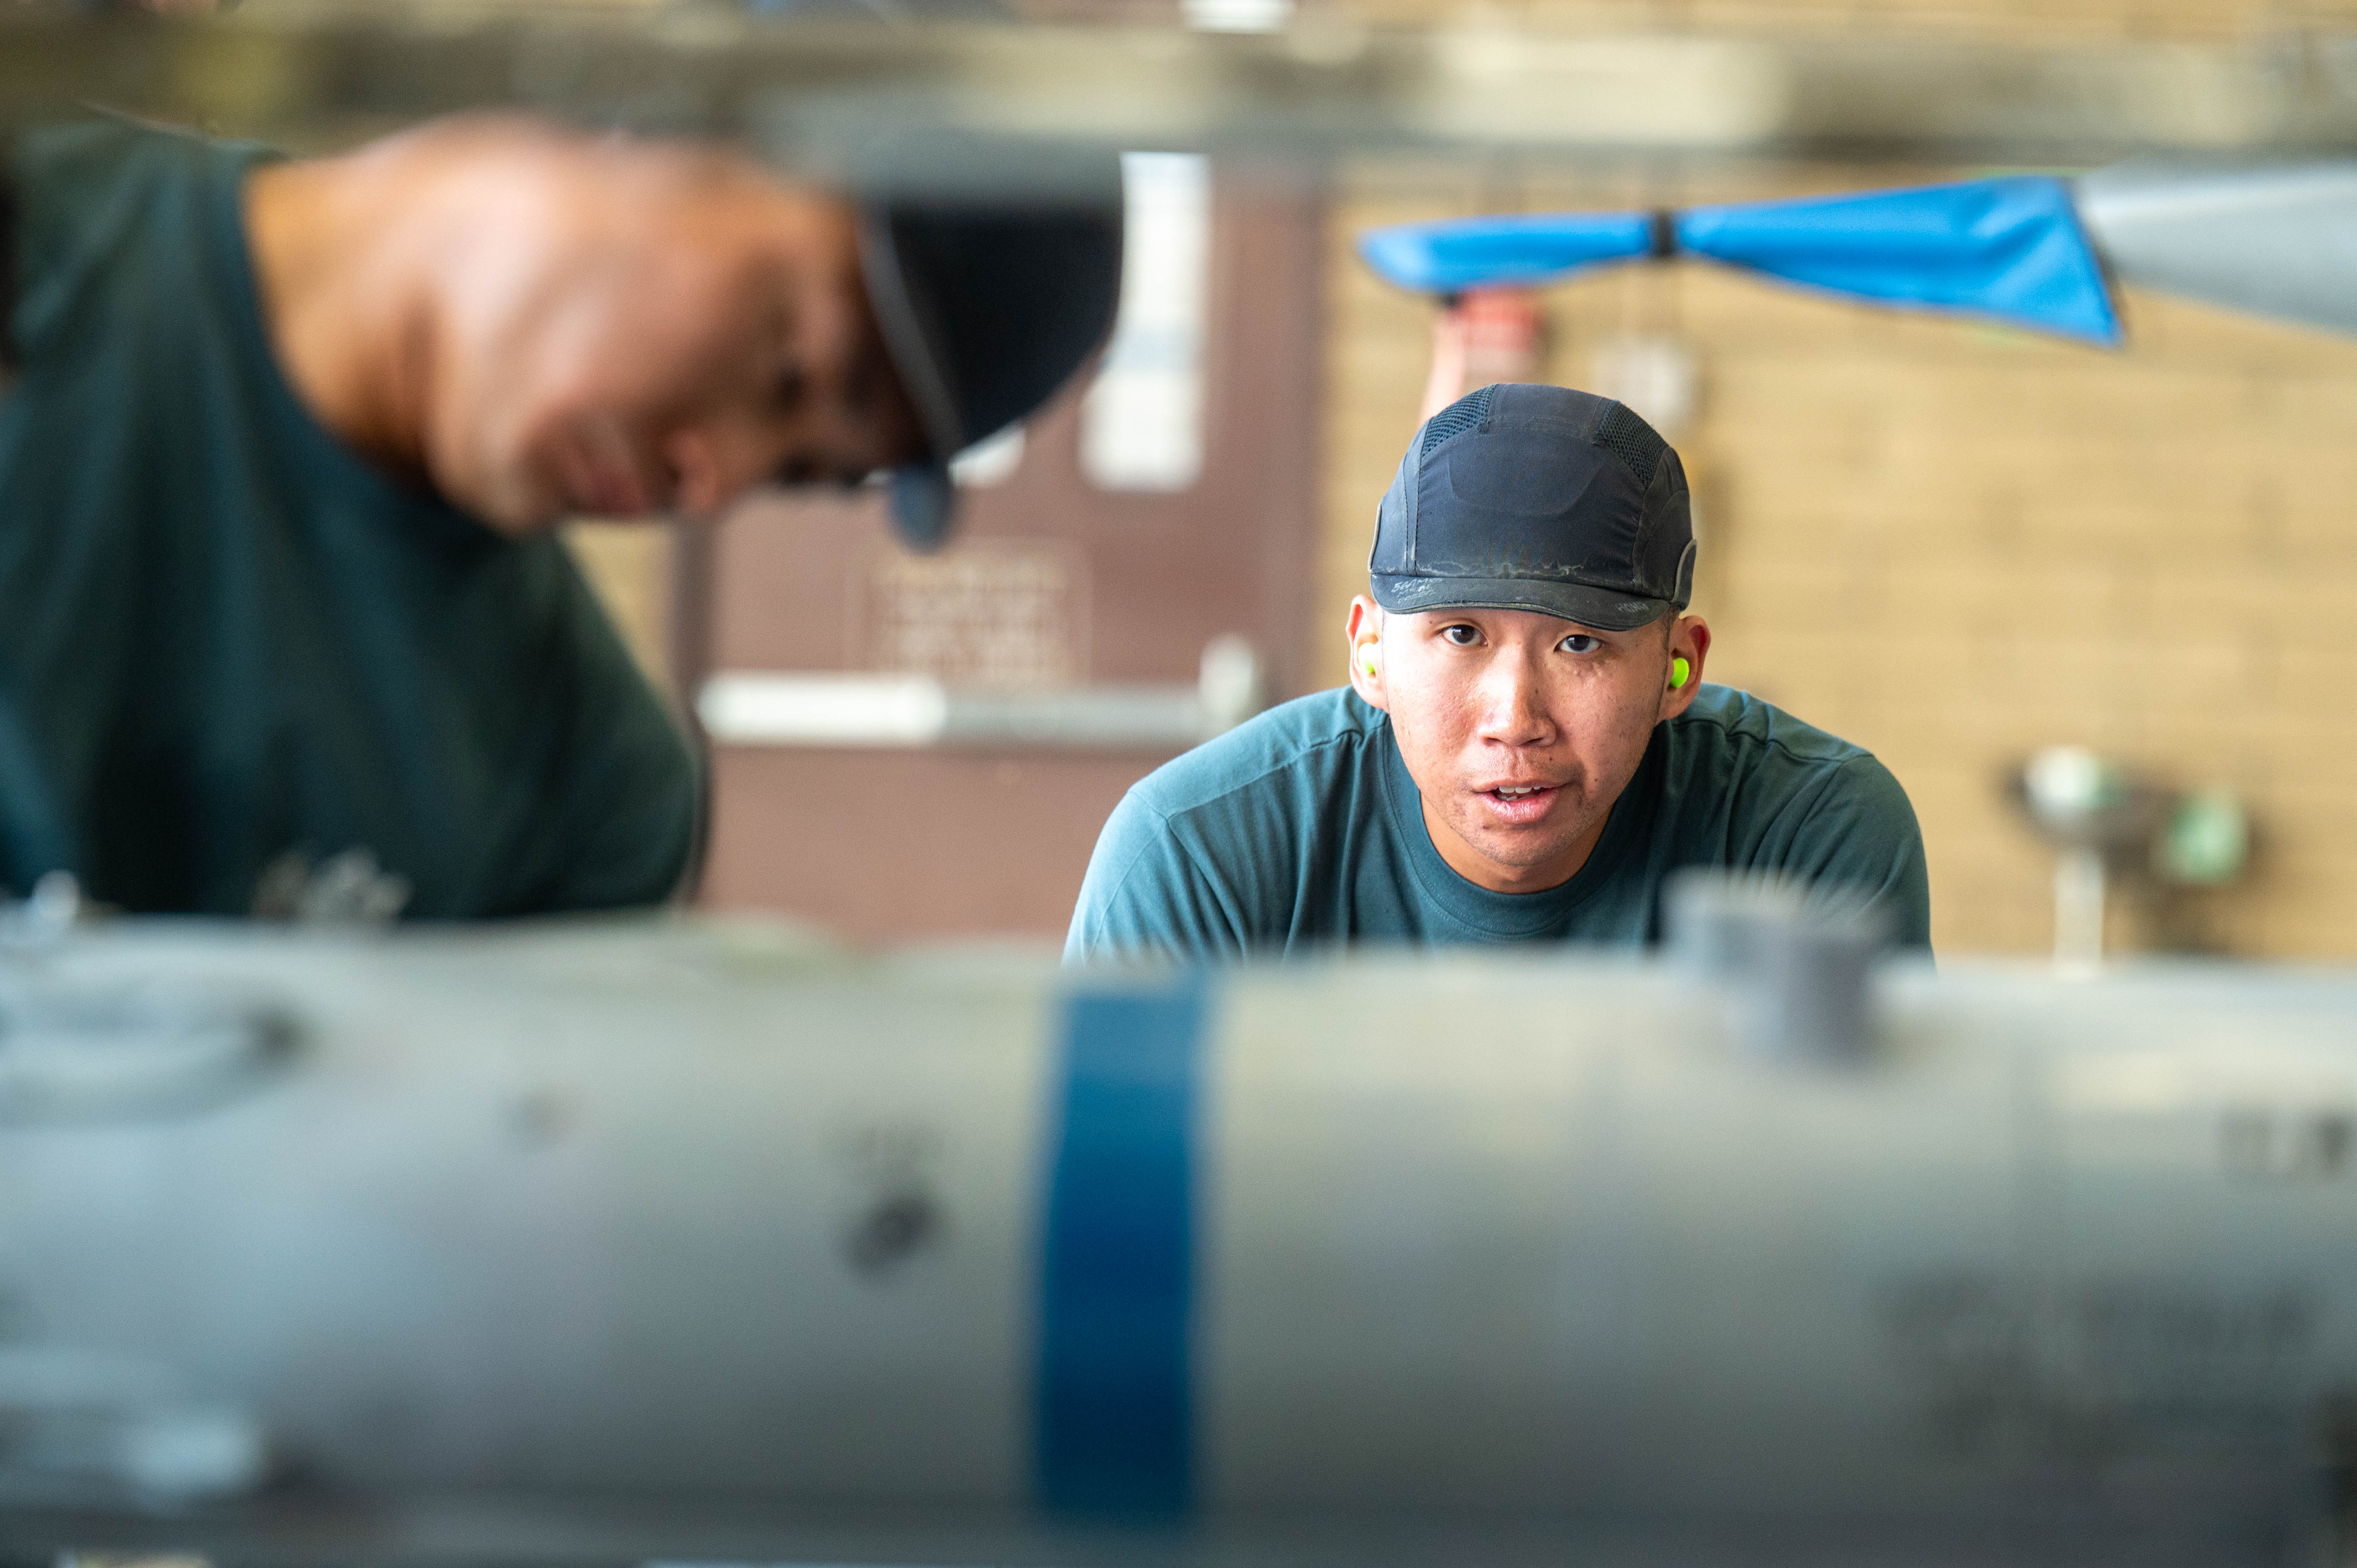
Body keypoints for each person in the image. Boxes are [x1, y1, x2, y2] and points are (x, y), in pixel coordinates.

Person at [0, 112, 1119, 917]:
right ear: (655, 100)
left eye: (799, 474)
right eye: (787, 372)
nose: (715, 484)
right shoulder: (41, 261)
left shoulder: (590, 799)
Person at [1066, 382, 1930, 961]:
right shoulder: (1196, 853)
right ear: (1369, 650)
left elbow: (1855, 1210)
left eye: (1580, 643)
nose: (1515, 717)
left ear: (1678, 666)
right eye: (1461, 634)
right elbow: (1105, 1212)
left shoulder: (1807, 836)